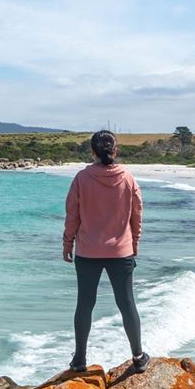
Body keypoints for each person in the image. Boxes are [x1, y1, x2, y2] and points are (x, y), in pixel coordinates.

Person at [62, 130, 149, 374]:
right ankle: (139, 356)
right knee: (127, 303)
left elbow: (72, 215)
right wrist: (135, 242)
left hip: (88, 252)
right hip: (121, 252)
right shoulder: (128, 178)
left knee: (85, 304)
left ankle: (79, 360)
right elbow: (137, 214)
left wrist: (67, 243)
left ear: (92, 151)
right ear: (115, 151)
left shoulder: (81, 178)